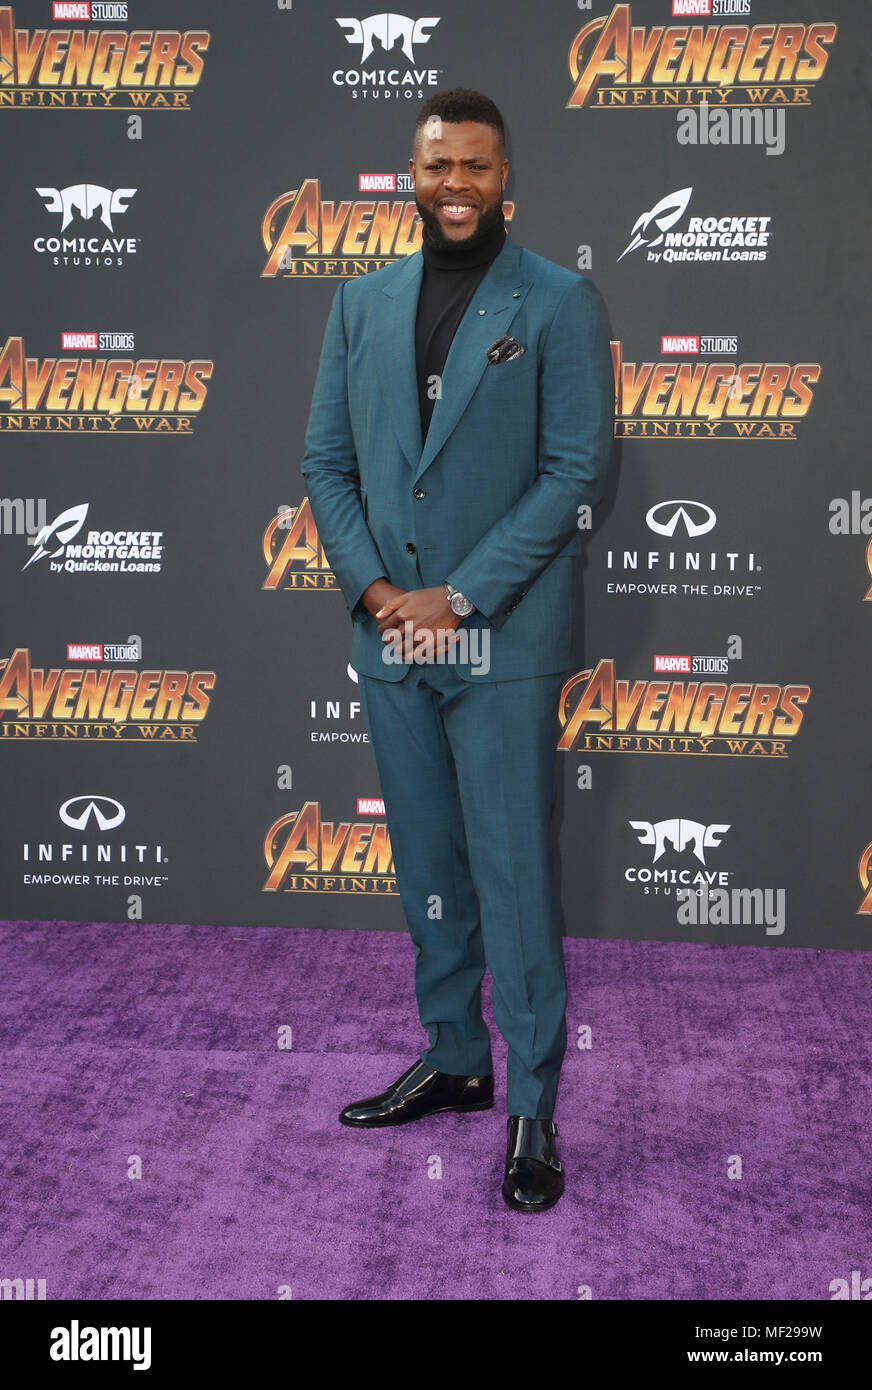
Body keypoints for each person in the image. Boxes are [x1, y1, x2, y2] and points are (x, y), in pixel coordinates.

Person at [300, 88, 614, 1211]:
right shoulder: (359, 303)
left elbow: (575, 472)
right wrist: (381, 591)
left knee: (515, 875)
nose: (456, 184)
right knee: (428, 867)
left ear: (504, 175)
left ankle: (531, 1098)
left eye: (476, 166)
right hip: (389, 637)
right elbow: (326, 466)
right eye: (438, 165)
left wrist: (461, 593)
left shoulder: (560, 299)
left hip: (506, 637)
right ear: (411, 173)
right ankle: (454, 1054)